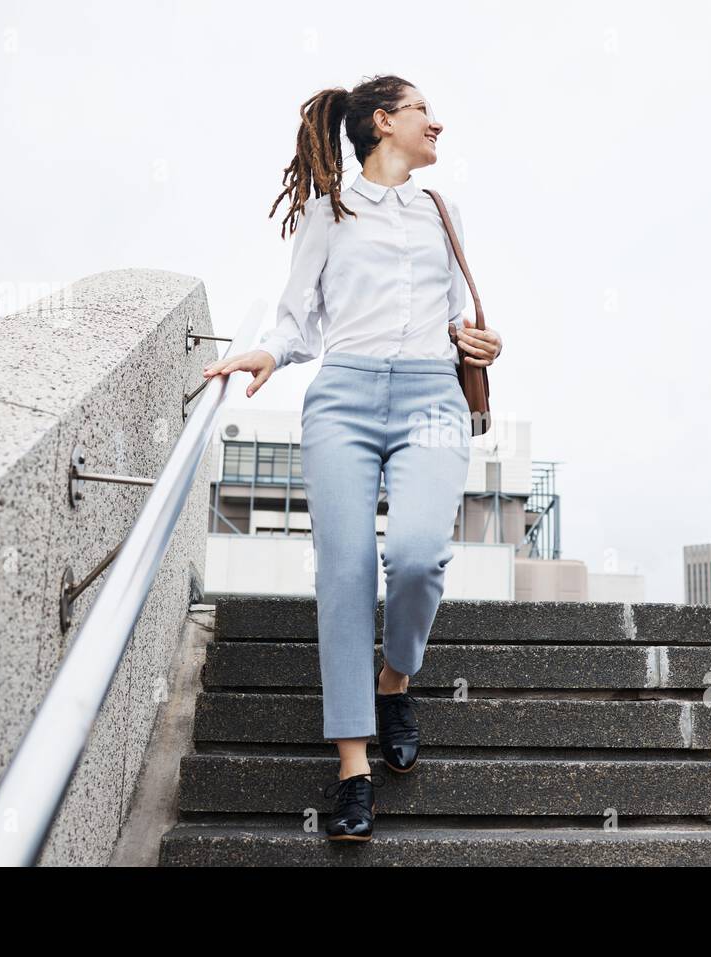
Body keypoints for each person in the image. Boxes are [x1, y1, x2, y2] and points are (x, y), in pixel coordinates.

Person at [202, 75, 502, 841]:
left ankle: (394, 677)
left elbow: (453, 322)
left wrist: (480, 343)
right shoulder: (327, 213)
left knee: (417, 554)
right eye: (422, 111)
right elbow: (299, 318)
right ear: (382, 122)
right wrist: (267, 351)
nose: (438, 121)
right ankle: (352, 765)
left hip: (433, 397)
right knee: (343, 571)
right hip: (344, 397)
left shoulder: (443, 212)